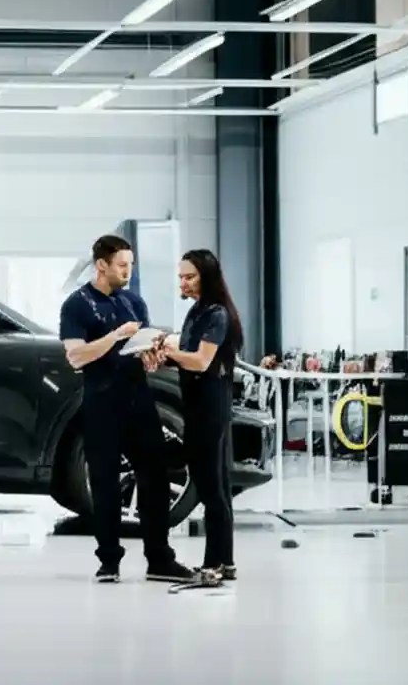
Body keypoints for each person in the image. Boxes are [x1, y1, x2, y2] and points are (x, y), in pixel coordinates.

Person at [59, 235, 196, 585]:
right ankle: (109, 561)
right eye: (122, 266)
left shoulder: (135, 302)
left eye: (131, 265)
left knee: (156, 477)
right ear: (101, 265)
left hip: (138, 400)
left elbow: (141, 354)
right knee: (104, 483)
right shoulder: (76, 306)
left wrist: (152, 354)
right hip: (101, 402)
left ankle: (159, 558)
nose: (128, 272)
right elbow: (76, 356)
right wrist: (115, 337)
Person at [159, 249, 243, 582]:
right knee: (215, 483)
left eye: (189, 276)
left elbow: (200, 361)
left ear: (206, 277)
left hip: (209, 406)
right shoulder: (198, 312)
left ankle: (215, 563)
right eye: (180, 276)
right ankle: (226, 560)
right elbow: (187, 355)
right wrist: (167, 353)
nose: (184, 281)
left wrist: (169, 352)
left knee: (211, 486)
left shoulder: (217, 314)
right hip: (198, 404)